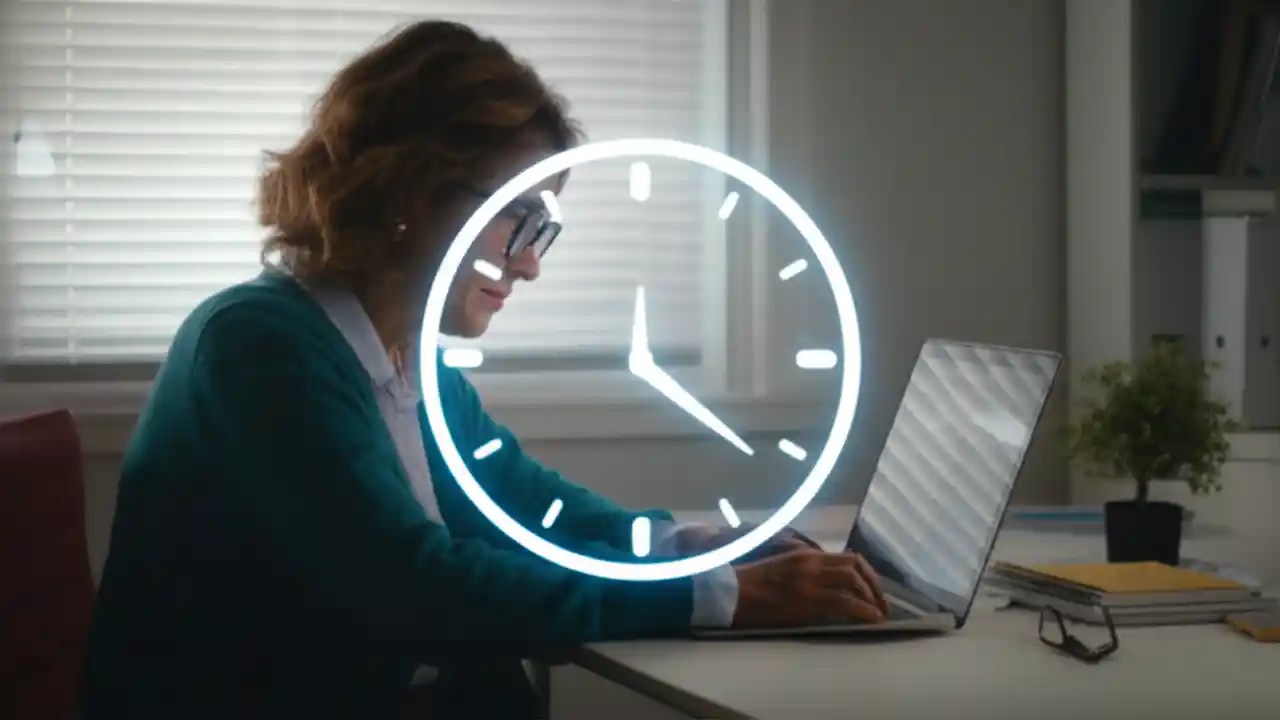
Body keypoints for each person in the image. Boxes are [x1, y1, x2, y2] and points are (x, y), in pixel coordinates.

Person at [80, 20, 888, 720]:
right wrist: (717, 597)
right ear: (409, 190)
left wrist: (690, 547)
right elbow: (414, 587)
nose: (530, 265)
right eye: (518, 219)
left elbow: (527, 510)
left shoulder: (401, 359)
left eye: (544, 230)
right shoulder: (259, 349)